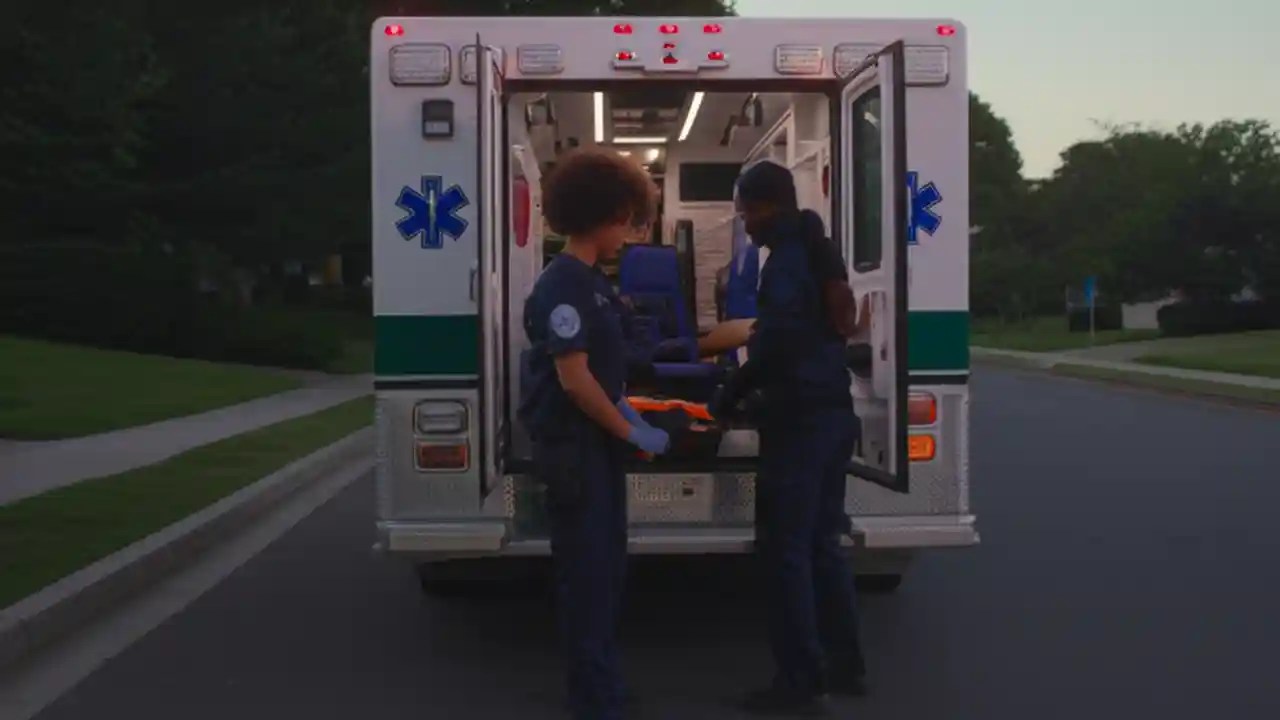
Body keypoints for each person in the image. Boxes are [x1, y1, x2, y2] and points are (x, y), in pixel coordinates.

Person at [517, 149, 671, 720]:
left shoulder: (592, 284)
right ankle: (591, 695)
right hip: (573, 448)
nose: (629, 232)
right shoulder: (565, 286)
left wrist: (633, 423)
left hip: (595, 445)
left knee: (606, 570)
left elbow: (607, 378)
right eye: (627, 219)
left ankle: (602, 680)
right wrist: (635, 435)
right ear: (604, 214)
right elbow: (577, 383)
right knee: (586, 574)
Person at [713, 160, 867, 716]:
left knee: (787, 553)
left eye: (747, 212)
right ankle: (847, 666)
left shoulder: (784, 262)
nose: (745, 224)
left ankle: (800, 679)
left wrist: (731, 394)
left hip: (798, 422)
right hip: (832, 414)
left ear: (767, 205)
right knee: (825, 546)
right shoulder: (819, 246)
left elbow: (775, 344)